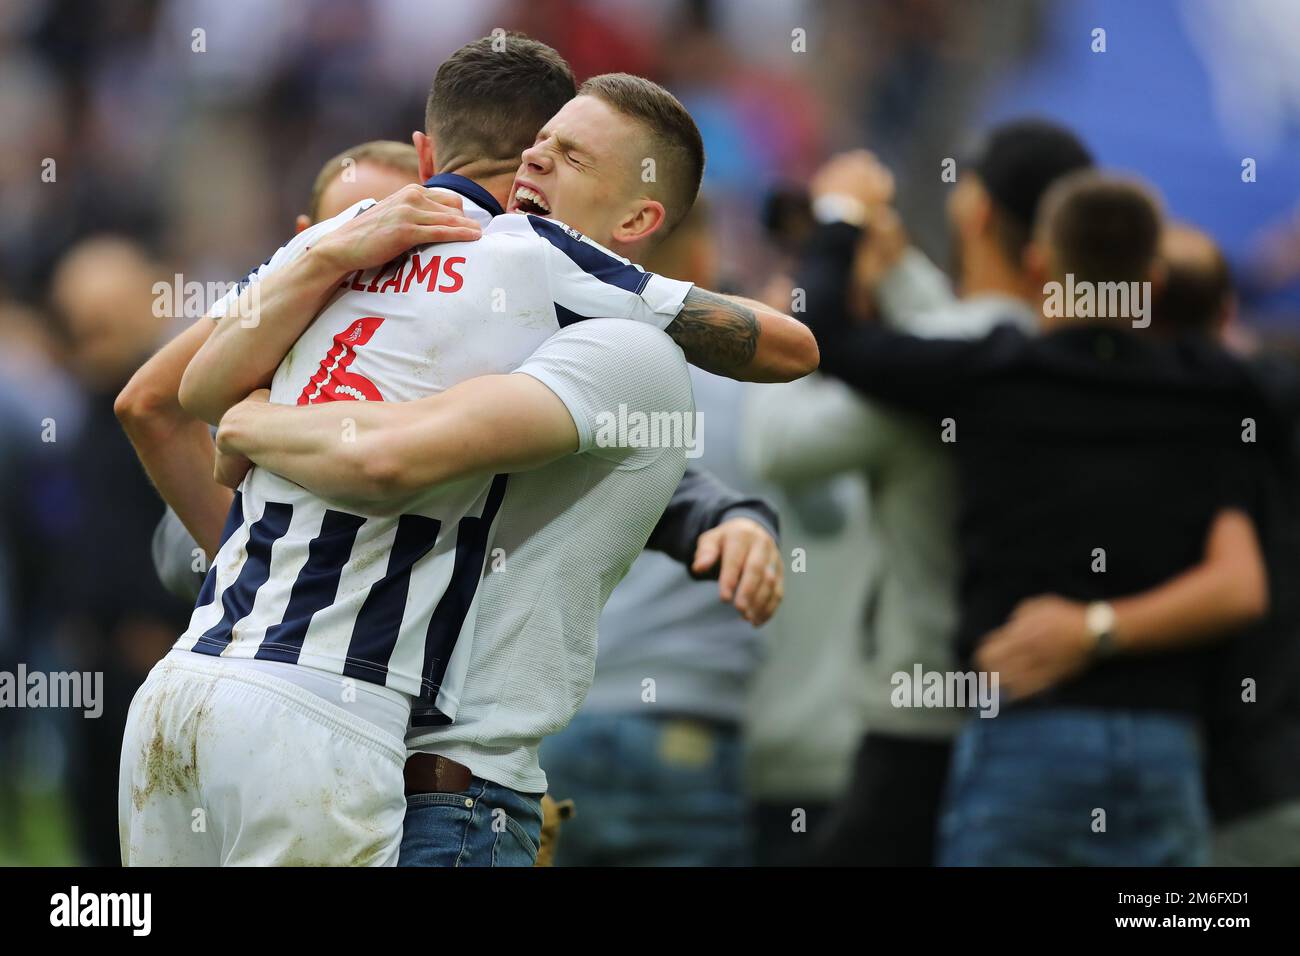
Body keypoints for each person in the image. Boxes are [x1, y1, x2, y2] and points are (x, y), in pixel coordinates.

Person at [120, 35, 814, 866]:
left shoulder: (339, 247)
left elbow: (179, 399)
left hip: (189, 689)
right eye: (540, 145)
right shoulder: (526, 262)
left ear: (423, 154)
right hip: (333, 718)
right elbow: (779, 347)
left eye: (567, 154)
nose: (539, 164)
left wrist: (253, 424)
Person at [800, 166, 1280, 865]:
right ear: (1151, 279)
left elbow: (828, 337)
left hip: (1024, 734)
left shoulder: (990, 374)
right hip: (1166, 743)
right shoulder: (1216, 392)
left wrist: (840, 214)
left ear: (1037, 264)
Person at [745, 121, 1094, 864]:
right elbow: (951, 335)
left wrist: (791, 303)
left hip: (918, 715)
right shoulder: (1051, 353)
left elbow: (776, 446)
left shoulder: (942, 372)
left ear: (973, 210)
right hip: (1032, 704)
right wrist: (895, 264)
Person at [538, 202, 780, 866]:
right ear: (701, 264)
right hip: (689, 725)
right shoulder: (753, 388)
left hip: (559, 722)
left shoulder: (556, 379)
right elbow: (833, 514)